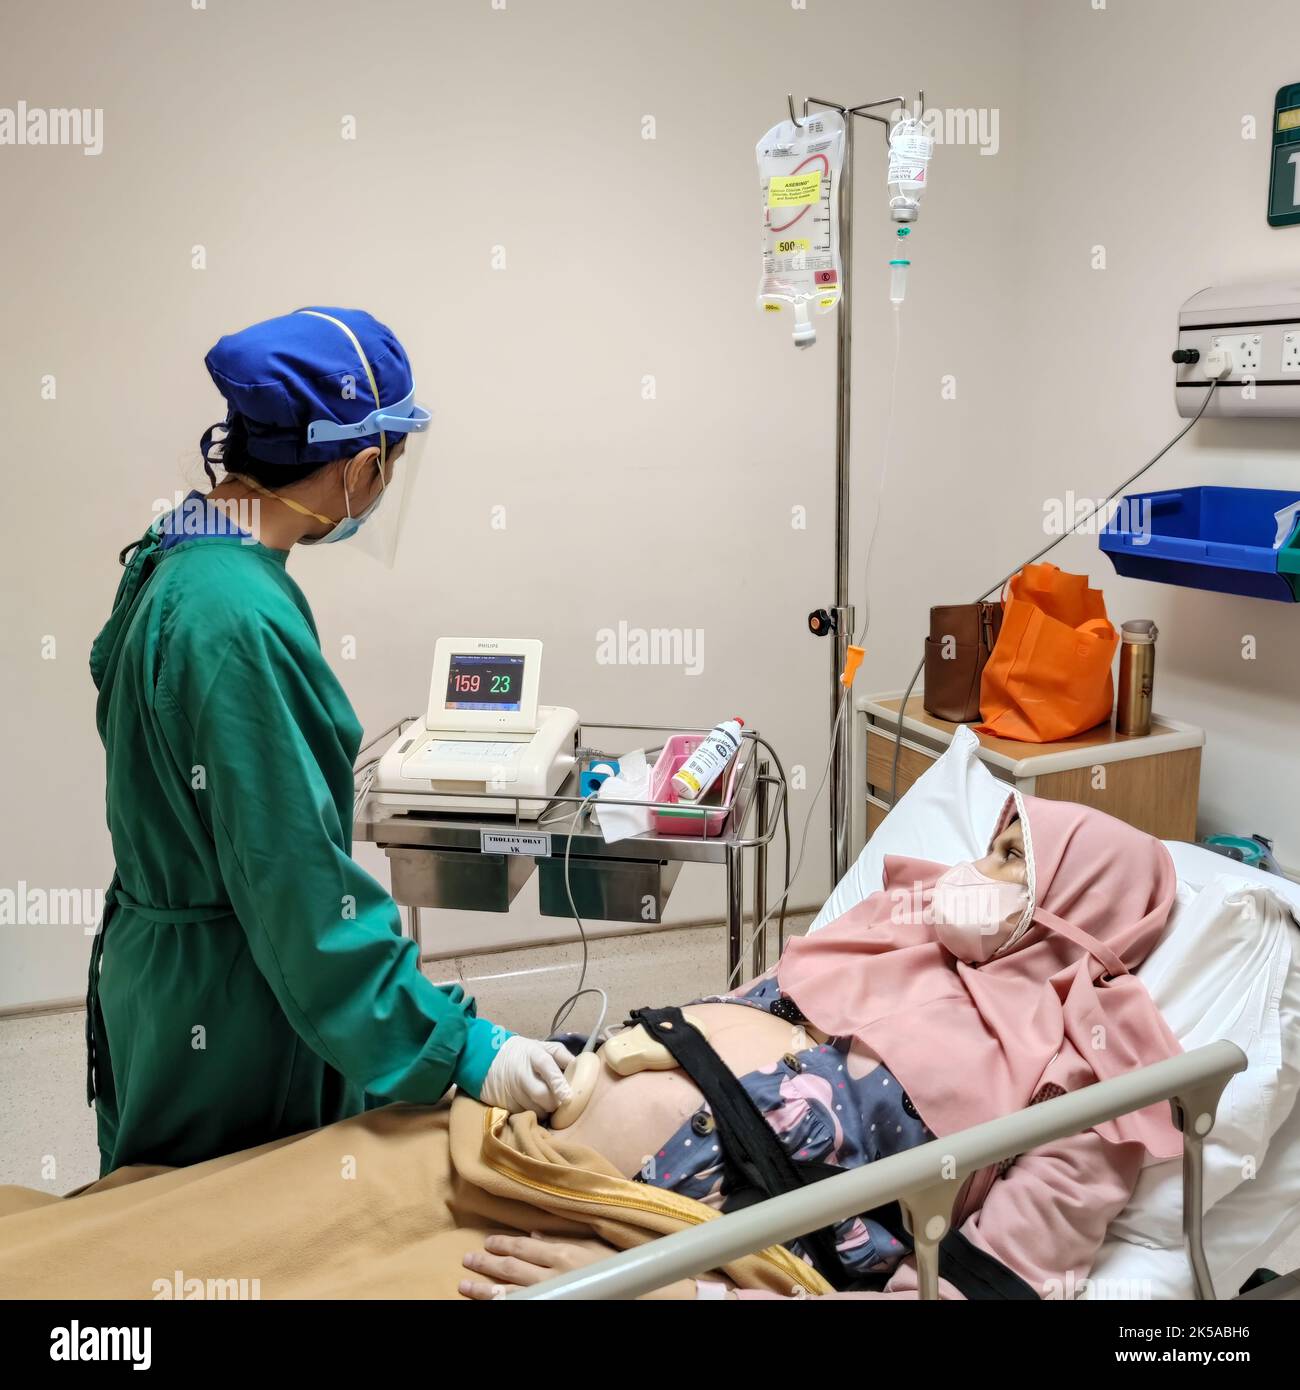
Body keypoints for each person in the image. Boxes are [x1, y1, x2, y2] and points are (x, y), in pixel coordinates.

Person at [87, 306, 571, 1176]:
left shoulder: (180, 543)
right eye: (389, 468)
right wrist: (463, 1047)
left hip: (156, 976)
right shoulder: (238, 621)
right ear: (359, 468)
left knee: (154, 1199)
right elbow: (300, 895)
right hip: (231, 1001)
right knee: (235, 1232)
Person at [458, 793, 1185, 1300]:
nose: (974, 874)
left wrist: (676, 1293)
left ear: (1081, 901)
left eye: (1010, 858)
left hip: (660, 1249)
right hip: (523, 1136)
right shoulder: (886, 940)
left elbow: (976, 1292)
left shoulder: (1087, 1090)